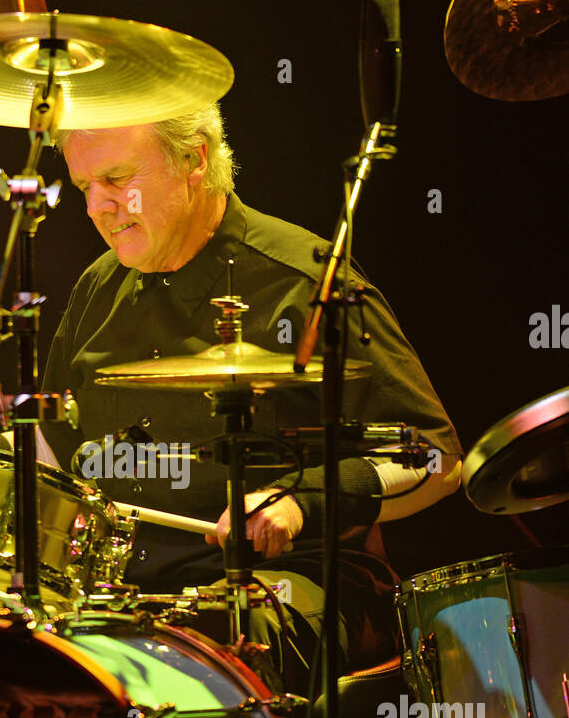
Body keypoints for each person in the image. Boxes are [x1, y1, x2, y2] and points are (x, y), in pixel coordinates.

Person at [41, 106, 462, 688]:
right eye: (85, 186)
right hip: (119, 591)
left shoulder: (305, 280)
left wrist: (298, 503)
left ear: (193, 160)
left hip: (288, 584)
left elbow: (434, 455)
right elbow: (53, 448)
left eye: (116, 179)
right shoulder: (96, 289)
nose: (96, 207)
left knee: (203, 649)